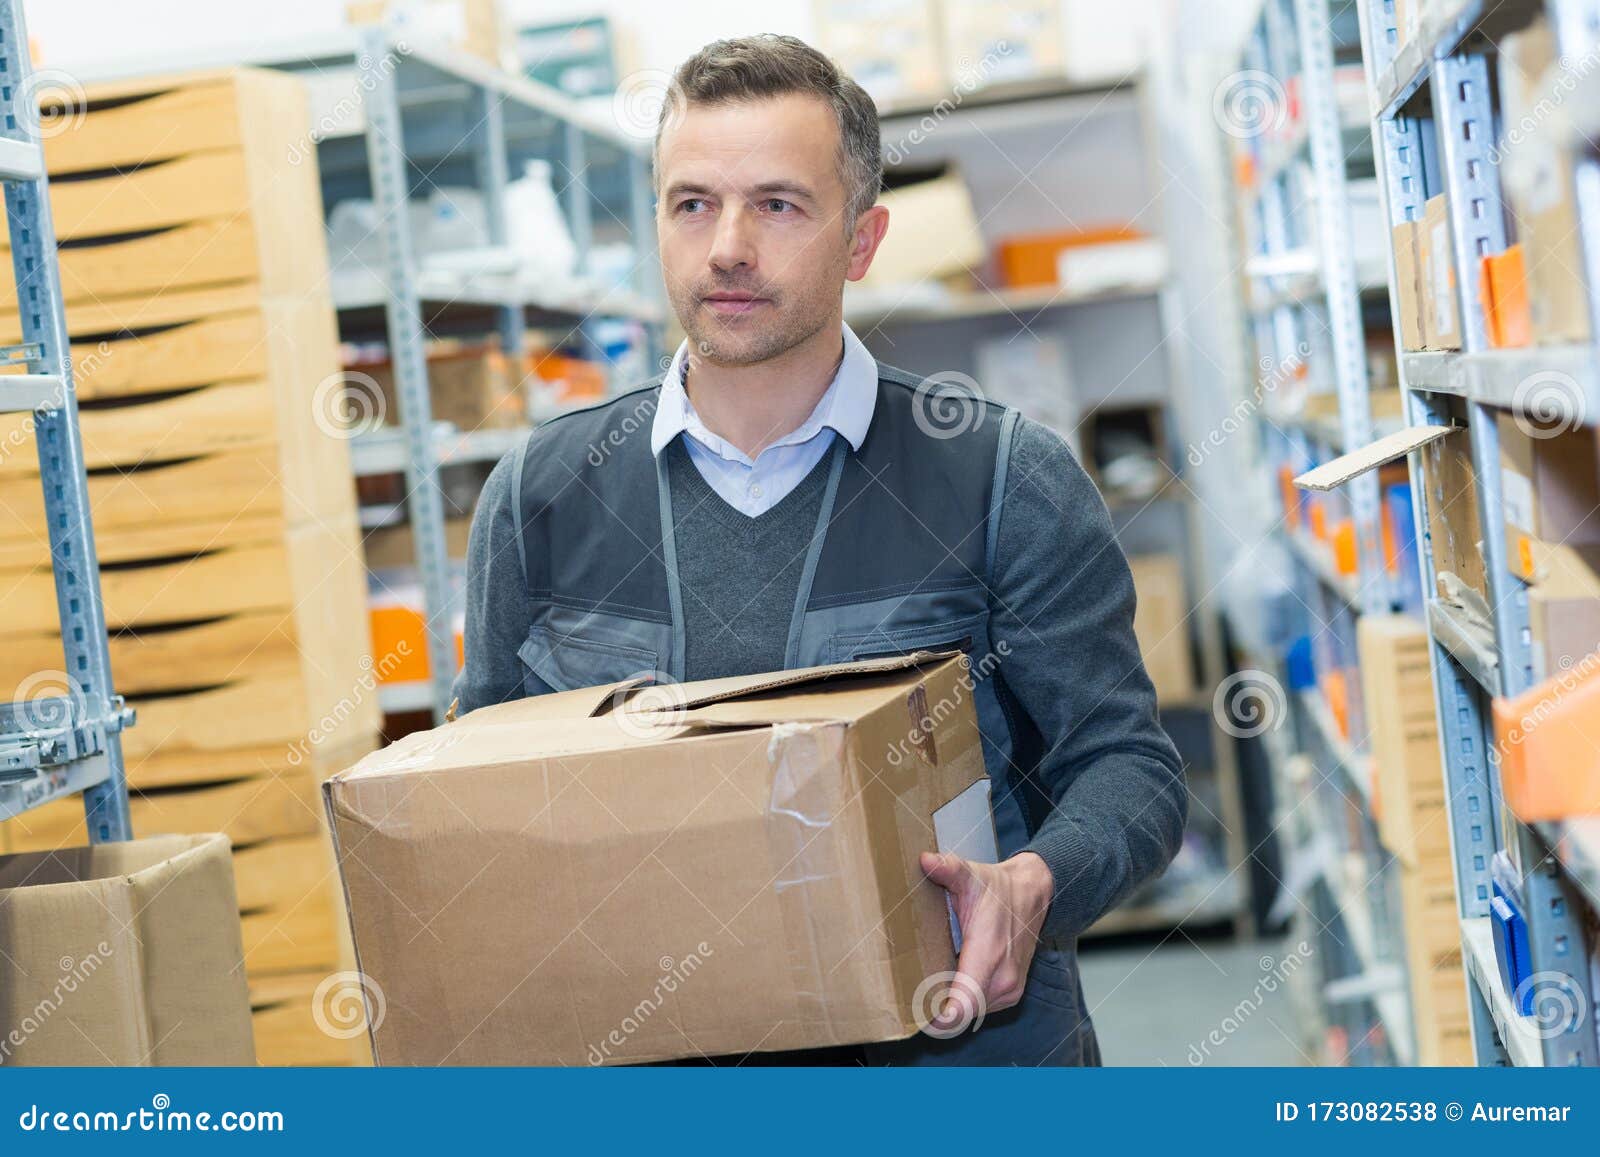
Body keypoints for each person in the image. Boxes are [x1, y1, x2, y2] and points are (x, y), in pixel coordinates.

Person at [453, 33, 1186, 1066]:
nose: (728, 247)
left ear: (863, 239)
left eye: (779, 204)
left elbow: (1128, 768)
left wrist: (1035, 886)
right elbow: (476, 795)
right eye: (691, 202)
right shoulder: (541, 495)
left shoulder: (998, 475)